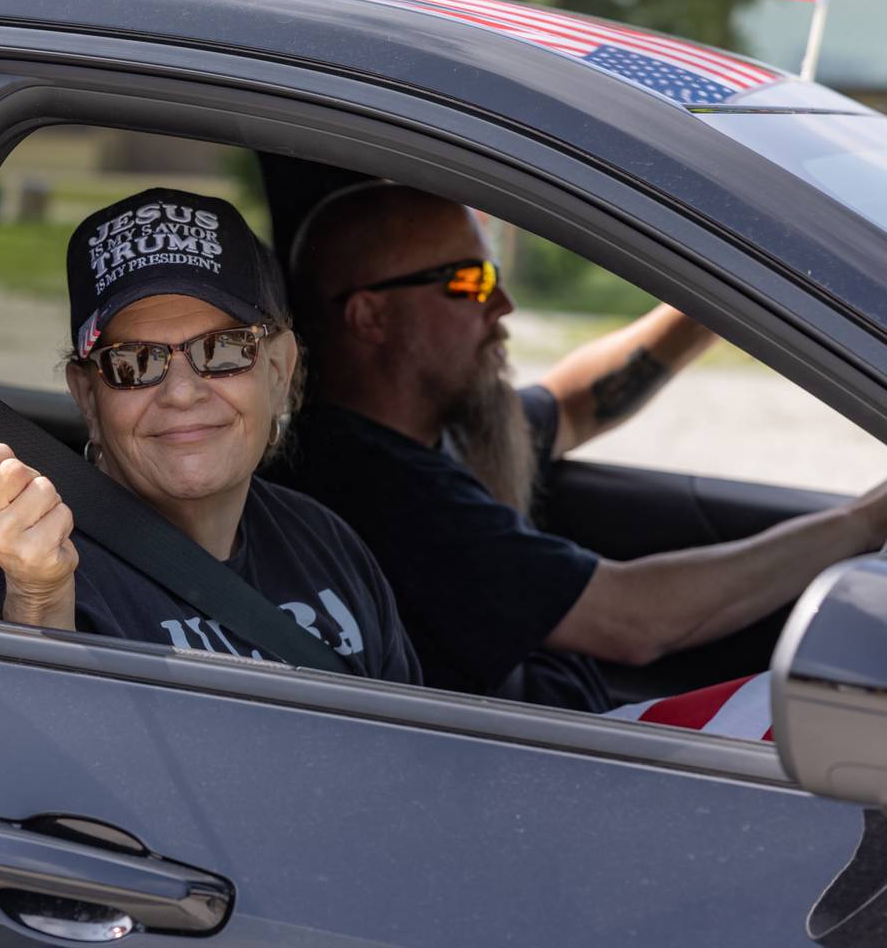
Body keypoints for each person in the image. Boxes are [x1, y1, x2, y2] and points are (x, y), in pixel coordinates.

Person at [276, 183, 887, 711]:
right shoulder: (374, 485)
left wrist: (723, 292)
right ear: (370, 317)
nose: (503, 304)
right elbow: (635, 620)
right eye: (470, 281)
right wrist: (864, 522)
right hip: (528, 769)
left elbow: (577, 403)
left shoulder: (447, 427)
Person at [0, 187, 420, 682]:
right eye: (134, 362)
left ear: (278, 372)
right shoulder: (35, 564)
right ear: (88, 396)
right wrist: (39, 600)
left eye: (223, 349)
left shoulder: (330, 547)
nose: (180, 393)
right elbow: (33, 726)